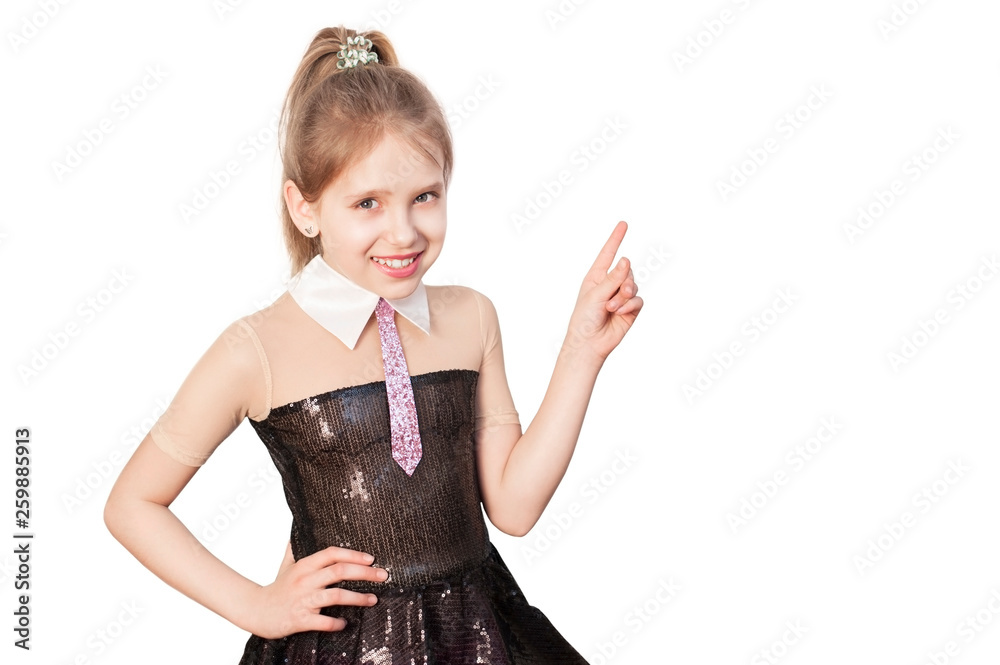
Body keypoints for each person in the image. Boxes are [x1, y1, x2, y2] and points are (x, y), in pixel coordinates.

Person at [104, 26, 642, 664]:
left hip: (480, 637)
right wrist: (256, 604)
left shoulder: (471, 318)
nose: (404, 231)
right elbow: (132, 503)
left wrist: (582, 351)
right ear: (306, 208)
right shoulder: (256, 349)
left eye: (425, 196)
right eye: (367, 203)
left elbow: (515, 508)